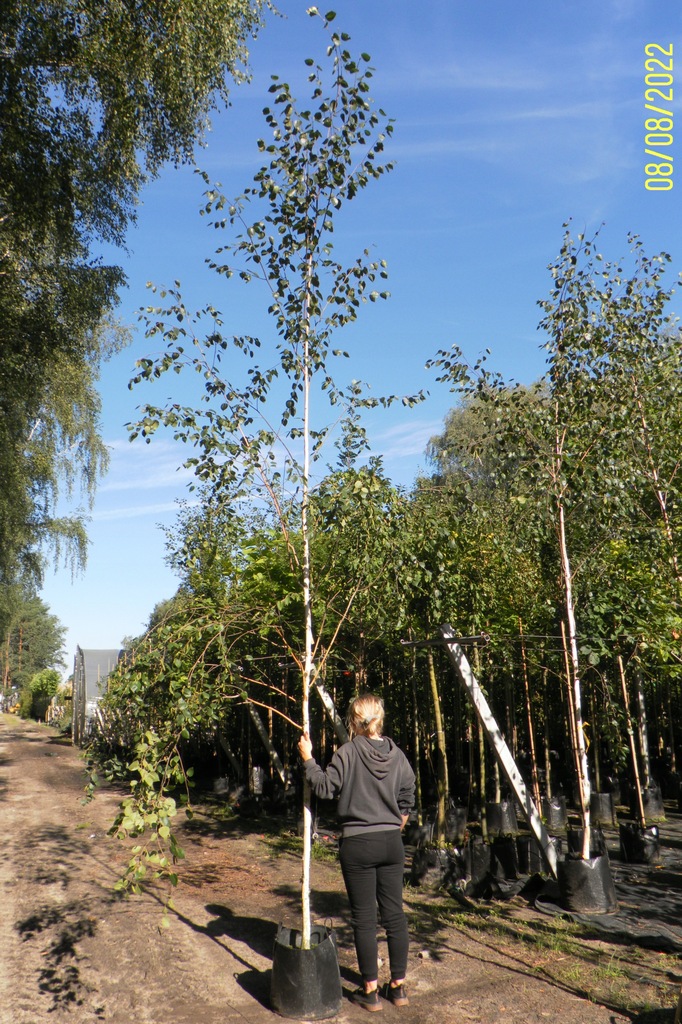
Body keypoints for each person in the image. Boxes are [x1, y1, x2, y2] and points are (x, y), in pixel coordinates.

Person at [298, 693, 415, 1012]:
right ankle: (399, 988)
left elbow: (323, 787)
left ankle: (370, 991)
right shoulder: (397, 755)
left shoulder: (347, 753)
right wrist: (397, 824)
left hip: (358, 844)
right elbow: (408, 794)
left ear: (352, 721)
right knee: (394, 915)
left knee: (365, 918)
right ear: (380, 719)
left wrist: (308, 758)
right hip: (392, 842)